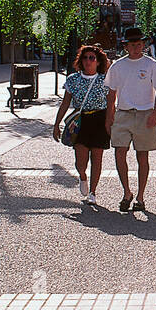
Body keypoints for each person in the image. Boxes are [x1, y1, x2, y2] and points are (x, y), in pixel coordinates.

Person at [104, 27, 156, 213]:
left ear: (144, 45)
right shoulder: (117, 66)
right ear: (126, 46)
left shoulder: (151, 65)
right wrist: (110, 116)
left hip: (144, 113)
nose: (136, 48)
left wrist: (154, 114)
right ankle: (126, 192)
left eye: (139, 44)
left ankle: (140, 196)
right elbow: (111, 93)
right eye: (132, 45)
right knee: (119, 153)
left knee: (142, 155)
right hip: (123, 113)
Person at [53, 45, 113, 206]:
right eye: (85, 58)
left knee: (97, 157)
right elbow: (65, 103)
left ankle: (93, 192)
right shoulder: (73, 79)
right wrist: (56, 124)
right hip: (81, 120)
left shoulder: (105, 80)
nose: (88, 61)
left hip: (99, 119)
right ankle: (82, 176)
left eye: (92, 58)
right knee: (81, 160)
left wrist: (109, 123)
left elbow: (111, 103)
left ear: (98, 61)